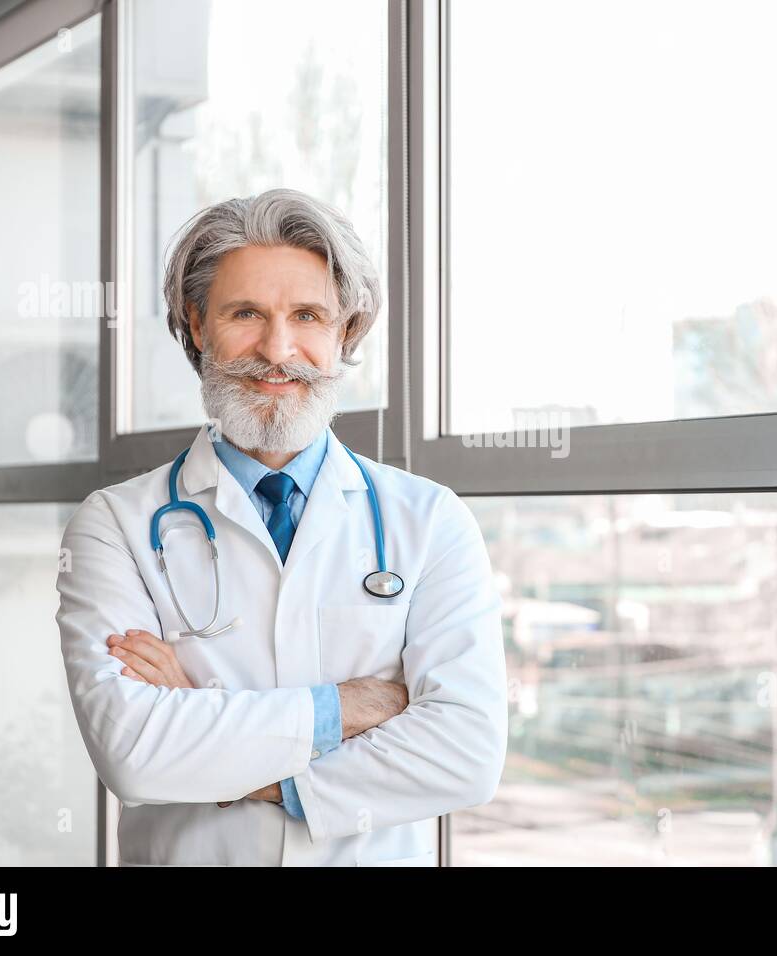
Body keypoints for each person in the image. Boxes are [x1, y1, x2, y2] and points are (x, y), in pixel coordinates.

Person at [55, 188, 507, 866]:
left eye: (307, 315)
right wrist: (347, 709)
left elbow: (465, 754)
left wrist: (220, 747)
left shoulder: (431, 520)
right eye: (246, 314)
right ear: (197, 324)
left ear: (343, 334)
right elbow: (134, 754)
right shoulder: (115, 525)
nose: (278, 348)